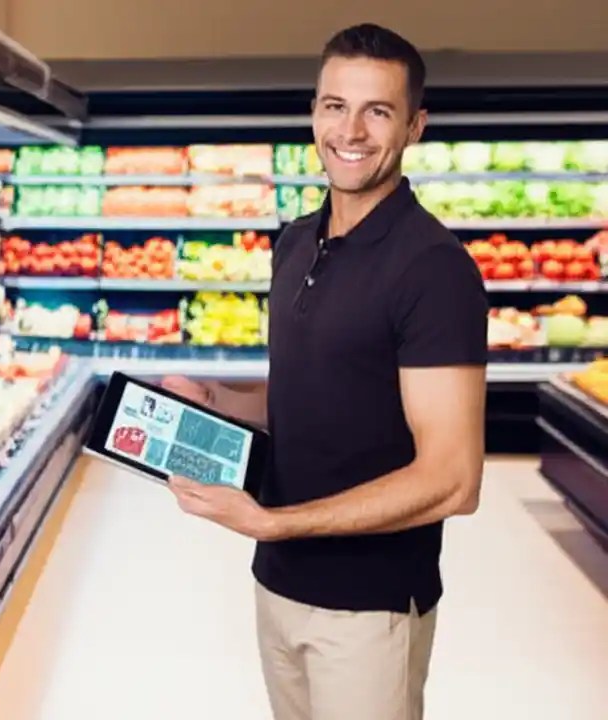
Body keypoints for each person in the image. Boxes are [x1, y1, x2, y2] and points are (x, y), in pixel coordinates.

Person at [164, 23, 488, 720]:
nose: (353, 130)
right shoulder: (295, 242)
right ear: (314, 112)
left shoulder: (433, 270)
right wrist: (212, 398)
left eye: (379, 111)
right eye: (335, 105)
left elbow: (454, 480)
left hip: (369, 610)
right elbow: (305, 396)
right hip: (279, 587)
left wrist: (278, 524)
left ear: (415, 126)